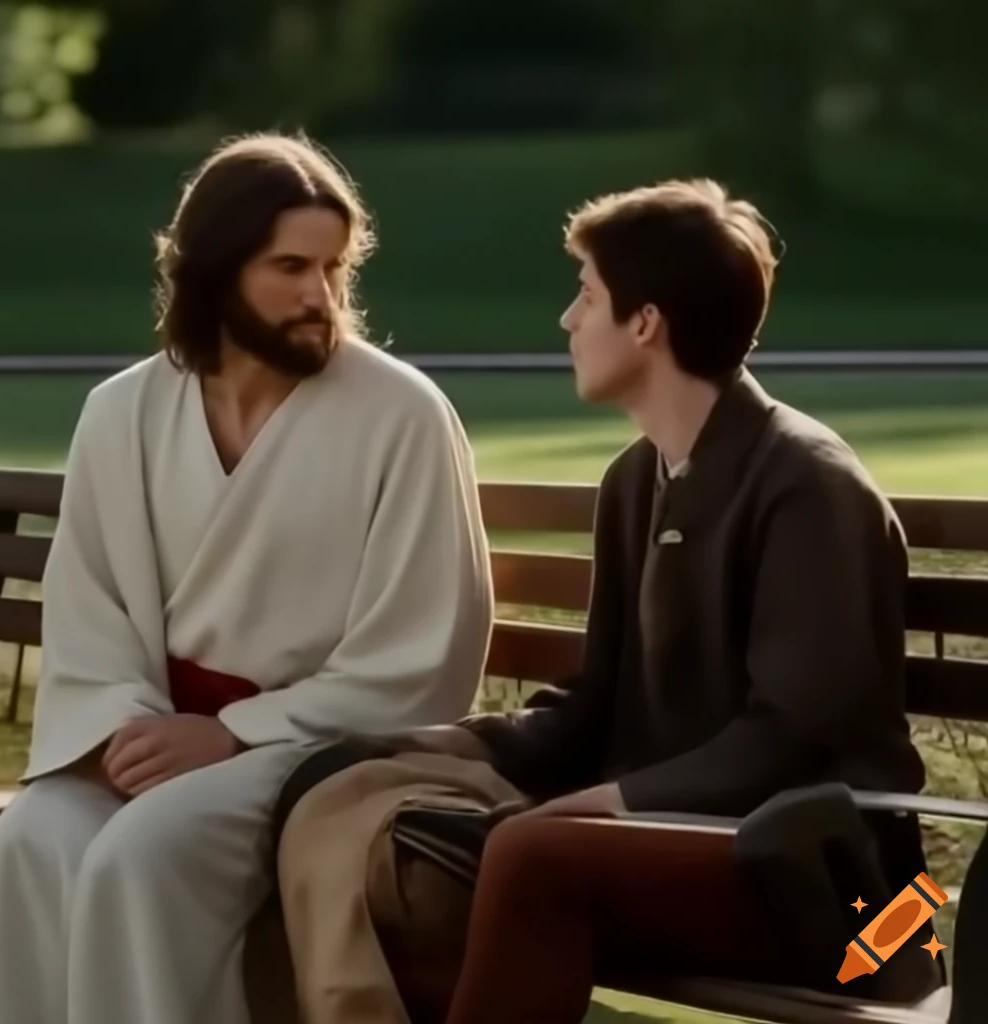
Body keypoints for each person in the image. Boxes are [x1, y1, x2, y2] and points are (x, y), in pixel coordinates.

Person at [0, 132, 493, 1024]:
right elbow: (89, 609)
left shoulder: (403, 415)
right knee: (33, 838)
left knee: (146, 856)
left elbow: (424, 651)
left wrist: (233, 734)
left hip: (315, 753)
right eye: (290, 266)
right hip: (147, 737)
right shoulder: (120, 412)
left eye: (333, 269)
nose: (318, 296)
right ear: (212, 269)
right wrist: (131, 733)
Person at [388, 179, 940, 1023]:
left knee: (534, 858)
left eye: (587, 295)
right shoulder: (634, 481)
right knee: (416, 854)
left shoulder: (809, 486)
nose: (568, 321)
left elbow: (792, 735)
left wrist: (603, 807)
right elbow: (596, 704)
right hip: (690, 850)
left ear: (645, 323)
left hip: (838, 887)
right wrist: (439, 743)